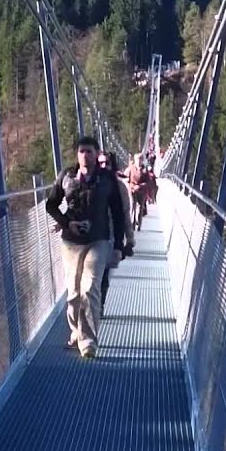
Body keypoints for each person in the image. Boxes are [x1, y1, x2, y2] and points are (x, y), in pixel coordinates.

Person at [44, 137, 128, 359]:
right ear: (76, 154)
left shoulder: (107, 179)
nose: (85, 155)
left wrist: (119, 245)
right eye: (81, 151)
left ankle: (88, 342)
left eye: (89, 151)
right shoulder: (66, 177)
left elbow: (119, 214)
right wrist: (66, 222)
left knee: (90, 287)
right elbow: (50, 204)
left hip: (98, 240)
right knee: (73, 292)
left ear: (96, 153)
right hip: (71, 242)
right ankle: (76, 333)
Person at [97, 151, 135, 310]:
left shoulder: (120, 186)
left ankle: (100, 305)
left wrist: (129, 238)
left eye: (107, 163)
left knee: (103, 274)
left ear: (113, 165)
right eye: (100, 163)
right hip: (91, 237)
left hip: (110, 237)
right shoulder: (89, 183)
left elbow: (125, 214)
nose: (104, 166)